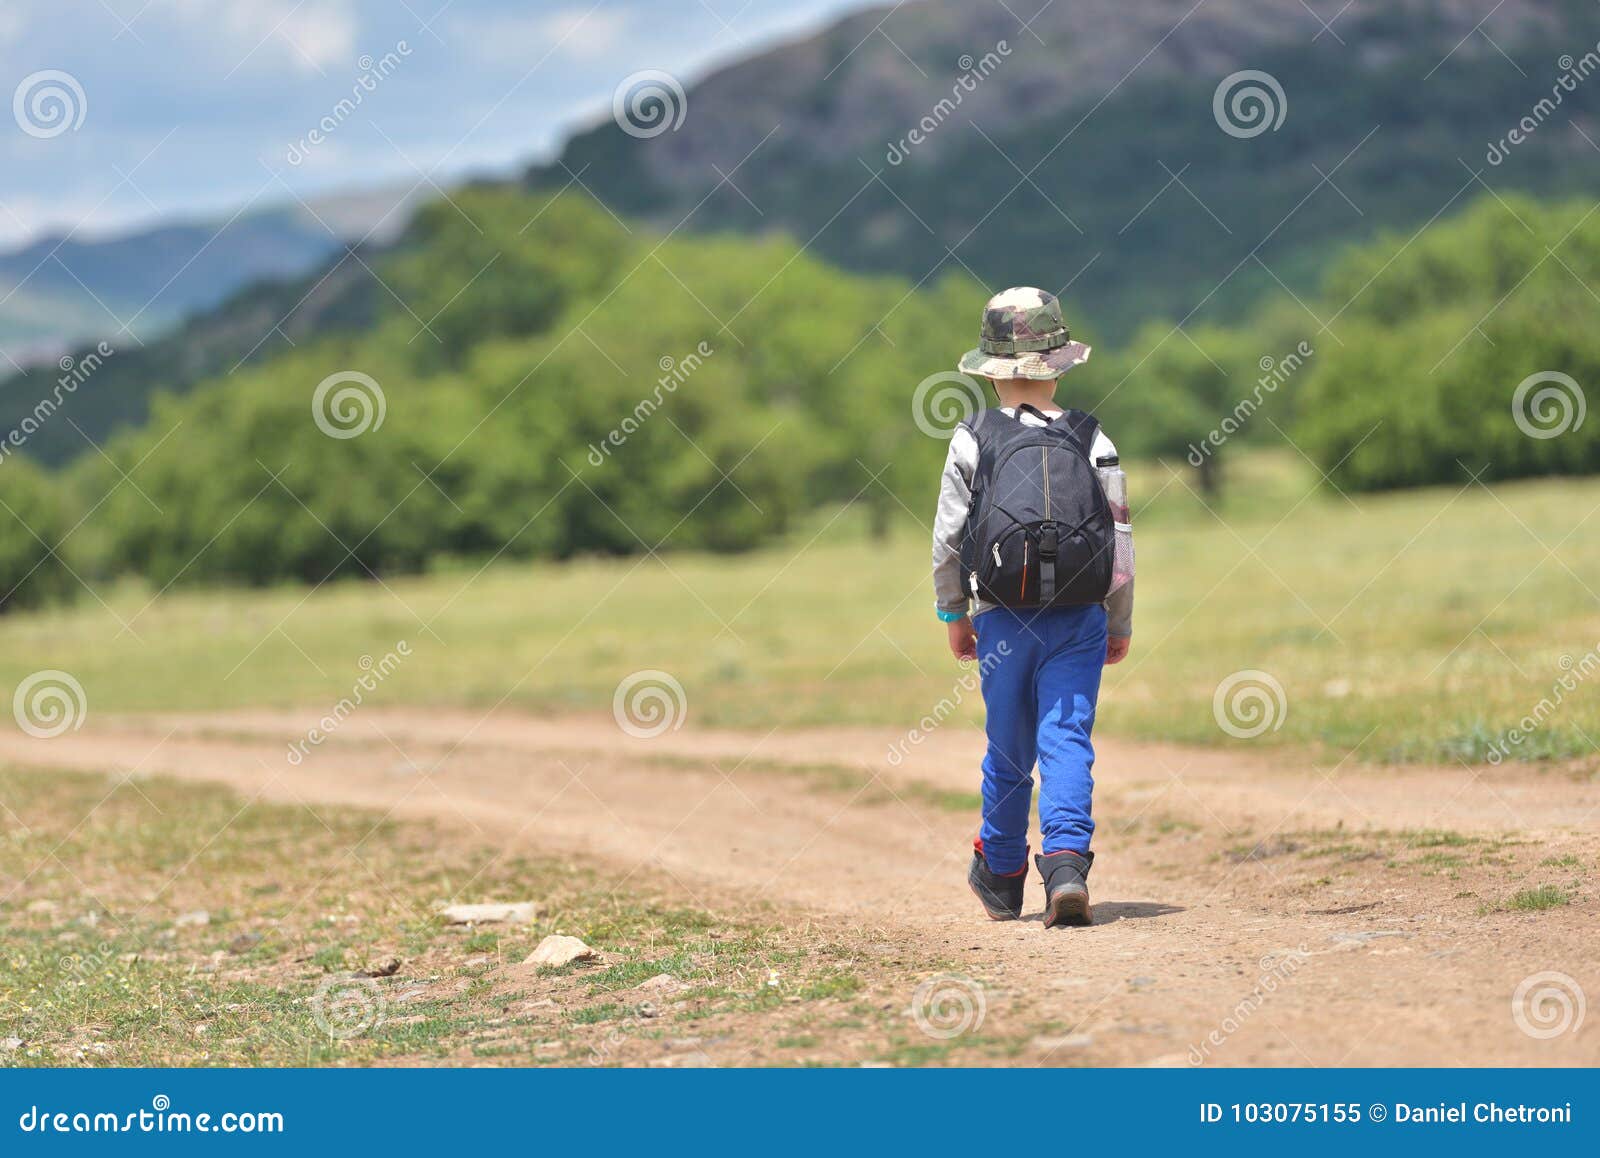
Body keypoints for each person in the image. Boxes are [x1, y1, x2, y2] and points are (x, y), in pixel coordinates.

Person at [930, 287, 1134, 928]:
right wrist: (1118, 621)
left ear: (991, 371)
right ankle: (1068, 865)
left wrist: (952, 613)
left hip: (999, 620)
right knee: (1067, 740)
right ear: (1060, 364)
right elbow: (1120, 542)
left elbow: (946, 537)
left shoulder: (972, 439)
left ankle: (1002, 873)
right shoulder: (1093, 439)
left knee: (1008, 749)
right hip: (1079, 617)